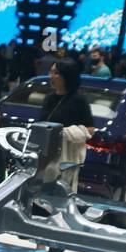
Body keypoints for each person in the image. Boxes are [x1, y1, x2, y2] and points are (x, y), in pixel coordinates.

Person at [40, 56, 95, 193]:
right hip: (44, 157)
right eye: (51, 72)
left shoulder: (78, 100)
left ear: (67, 76)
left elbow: (90, 130)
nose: (51, 76)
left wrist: (64, 133)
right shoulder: (49, 98)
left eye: (56, 73)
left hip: (64, 161)